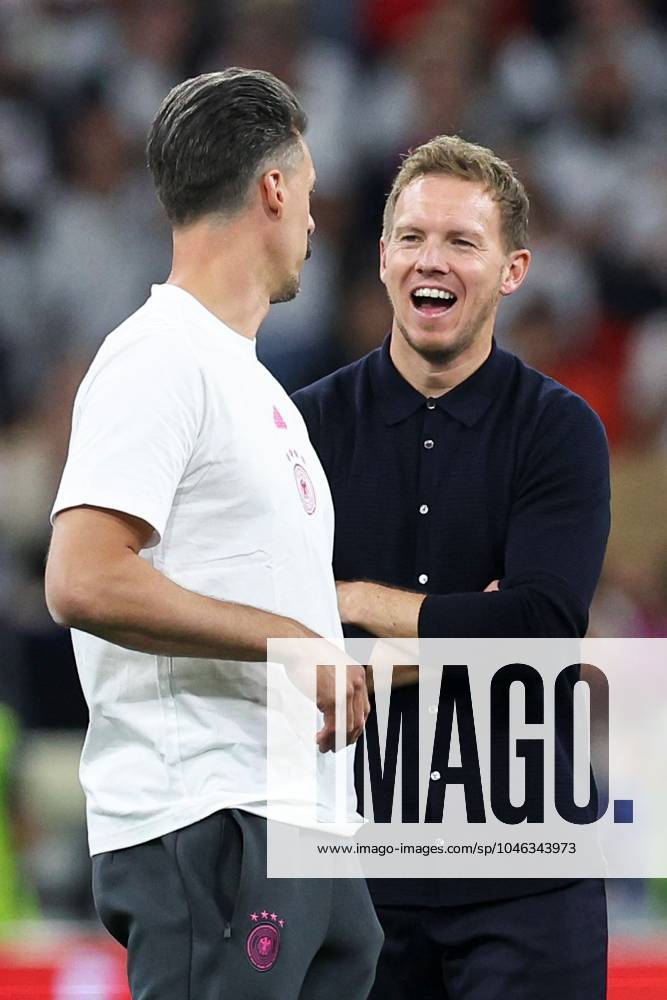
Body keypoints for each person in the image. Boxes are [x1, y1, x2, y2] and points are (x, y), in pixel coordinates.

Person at [45, 69, 382, 1000]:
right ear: (274, 189)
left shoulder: (261, 393)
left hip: (303, 823)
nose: (312, 220)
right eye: (307, 190)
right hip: (209, 815)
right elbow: (82, 577)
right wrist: (291, 643)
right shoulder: (156, 357)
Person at [293, 135, 610, 1000]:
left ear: (512, 271)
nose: (430, 259)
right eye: (412, 237)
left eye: (461, 242)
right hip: (352, 865)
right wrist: (474, 628)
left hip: (527, 865)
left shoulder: (560, 431)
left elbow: (540, 628)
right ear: (383, 257)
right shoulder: (302, 429)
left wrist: (351, 600)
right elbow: (280, 641)